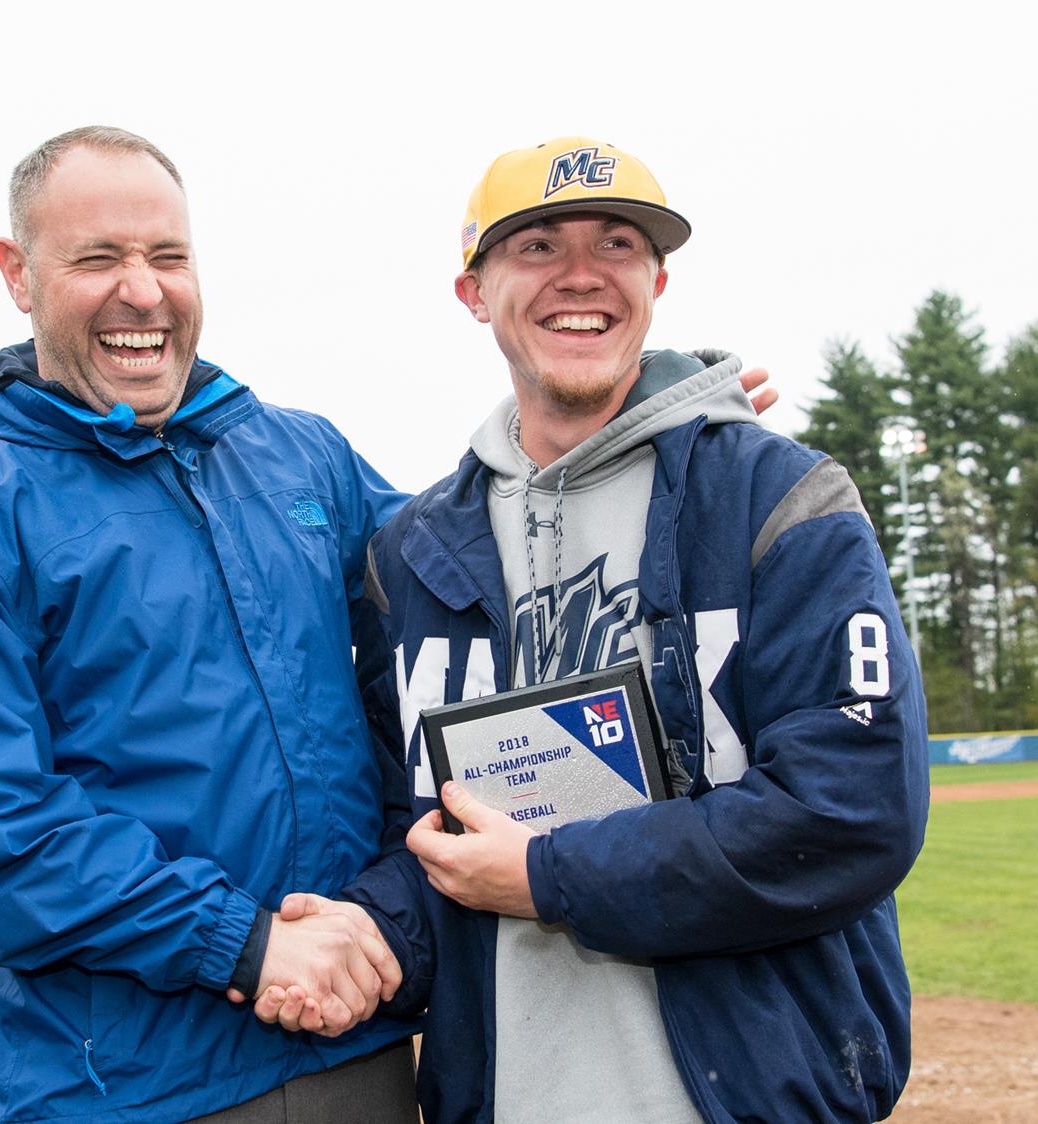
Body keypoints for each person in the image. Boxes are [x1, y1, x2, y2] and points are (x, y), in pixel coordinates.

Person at [307, 137, 931, 1123]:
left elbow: (849, 810)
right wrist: (351, 930)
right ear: (473, 290)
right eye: (536, 246)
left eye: (616, 242)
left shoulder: (776, 498)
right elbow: (421, 832)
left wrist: (548, 874)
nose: (580, 275)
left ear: (656, 278)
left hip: (749, 1098)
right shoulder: (416, 554)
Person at [0, 126, 421, 1124]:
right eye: (97, 258)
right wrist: (244, 943)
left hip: (358, 1039)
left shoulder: (305, 458)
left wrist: (644, 424)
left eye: (167, 256)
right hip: (126, 1090)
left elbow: (464, 585)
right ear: (17, 273)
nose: (143, 290)